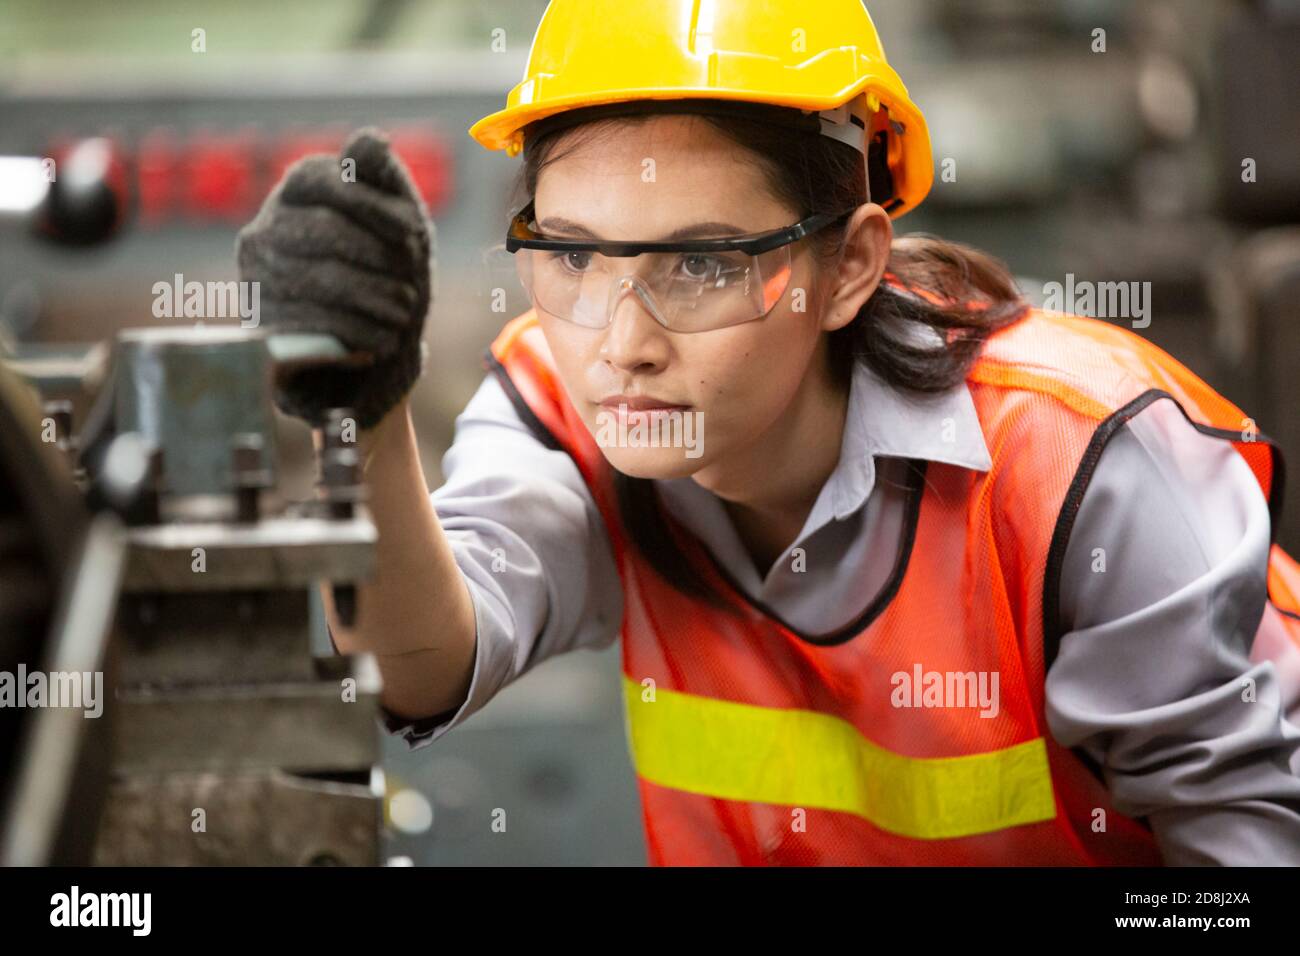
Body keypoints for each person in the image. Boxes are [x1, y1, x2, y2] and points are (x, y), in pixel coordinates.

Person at [235, 0, 1300, 865]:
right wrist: (362, 414)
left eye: (700, 264)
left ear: (848, 266)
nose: (621, 341)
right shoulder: (559, 402)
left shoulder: (1077, 462)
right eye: (571, 256)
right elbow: (424, 663)